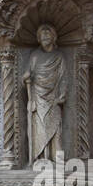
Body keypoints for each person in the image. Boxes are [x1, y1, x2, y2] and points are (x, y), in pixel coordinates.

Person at [25, 23, 65, 165]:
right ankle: (41, 158)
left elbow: (63, 76)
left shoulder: (59, 56)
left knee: (55, 127)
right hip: (37, 96)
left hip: (53, 97)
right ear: (38, 39)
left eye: (48, 34)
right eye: (42, 35)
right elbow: (28, 73)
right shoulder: (34, 56)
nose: (45, 37)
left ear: (54, 37)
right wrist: (27, 77)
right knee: (40, 126)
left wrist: (62, 94)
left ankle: (57, 158)